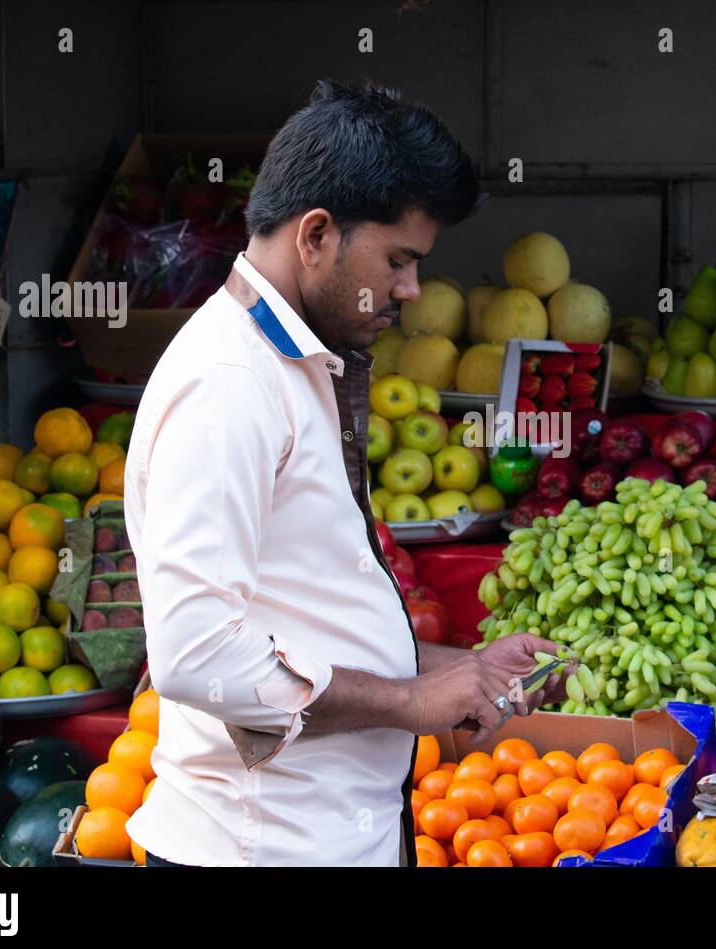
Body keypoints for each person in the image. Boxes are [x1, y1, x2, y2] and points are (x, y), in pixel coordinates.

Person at [122, 79, 567, 866]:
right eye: (398, 260)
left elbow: (298, 621)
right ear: (317, 235)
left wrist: (455, 670)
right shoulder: (230, 381)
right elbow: (194, 652)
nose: (410, 291)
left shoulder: (289, 364)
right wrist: (412, 699)